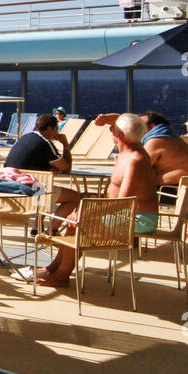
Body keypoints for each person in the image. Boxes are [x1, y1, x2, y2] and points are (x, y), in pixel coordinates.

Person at [33, 113, 158, 289]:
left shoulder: (135, 160)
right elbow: (129, 122)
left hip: (139, 219)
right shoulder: (130, 150)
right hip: (125, 213)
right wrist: (106, 118)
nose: (110, 130)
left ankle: (61, 275)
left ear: (120, 135)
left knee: (79, 223)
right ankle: (53, 268)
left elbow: (123, 202)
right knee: (73, 221)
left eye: (113, 129)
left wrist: (86, 213)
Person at [93, 110, 188, 203]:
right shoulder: (168, 137)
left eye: (140, 124)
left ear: (152, 126)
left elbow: (140, 169)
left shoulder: (156, 141)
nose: (136, 126)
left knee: (135, 186)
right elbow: (126, 122)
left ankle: (118, 212)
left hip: (183, 194)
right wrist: (106, 119)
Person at [3, 112, 79, 222]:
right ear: (50, 128)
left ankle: (38, 226)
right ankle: (52, 229)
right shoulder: (45, 143)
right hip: (31, 193)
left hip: (9, 190)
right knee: (75, 197)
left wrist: (49, 169)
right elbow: (66, 167)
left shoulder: (24, 138)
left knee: (44, 186)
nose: (56, 133)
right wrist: (65, 145)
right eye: (56, 129)